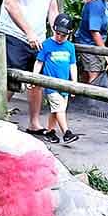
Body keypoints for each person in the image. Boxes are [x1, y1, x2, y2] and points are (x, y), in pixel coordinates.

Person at [0, 0, 59, 136]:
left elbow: (52, 8)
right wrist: (28, 32)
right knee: (10, 80)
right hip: (15, 34)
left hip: (40, 37)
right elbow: (10, 3)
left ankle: (34, 122)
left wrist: (57, 32)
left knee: (37, 81)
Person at [33, 13, 79, 144]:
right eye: (58, 33)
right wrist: (34, 77)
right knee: (59, 107)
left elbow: (73, 65)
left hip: (64, 85)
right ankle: (66, 133)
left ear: (69, 34)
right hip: (51, 85)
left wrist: (74, 83)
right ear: (53, 29)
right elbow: (39, 62)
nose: (59, 37)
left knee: (57, 110)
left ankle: (50, 131)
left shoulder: (70, 47)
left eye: (63, 35)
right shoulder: (46, 44)